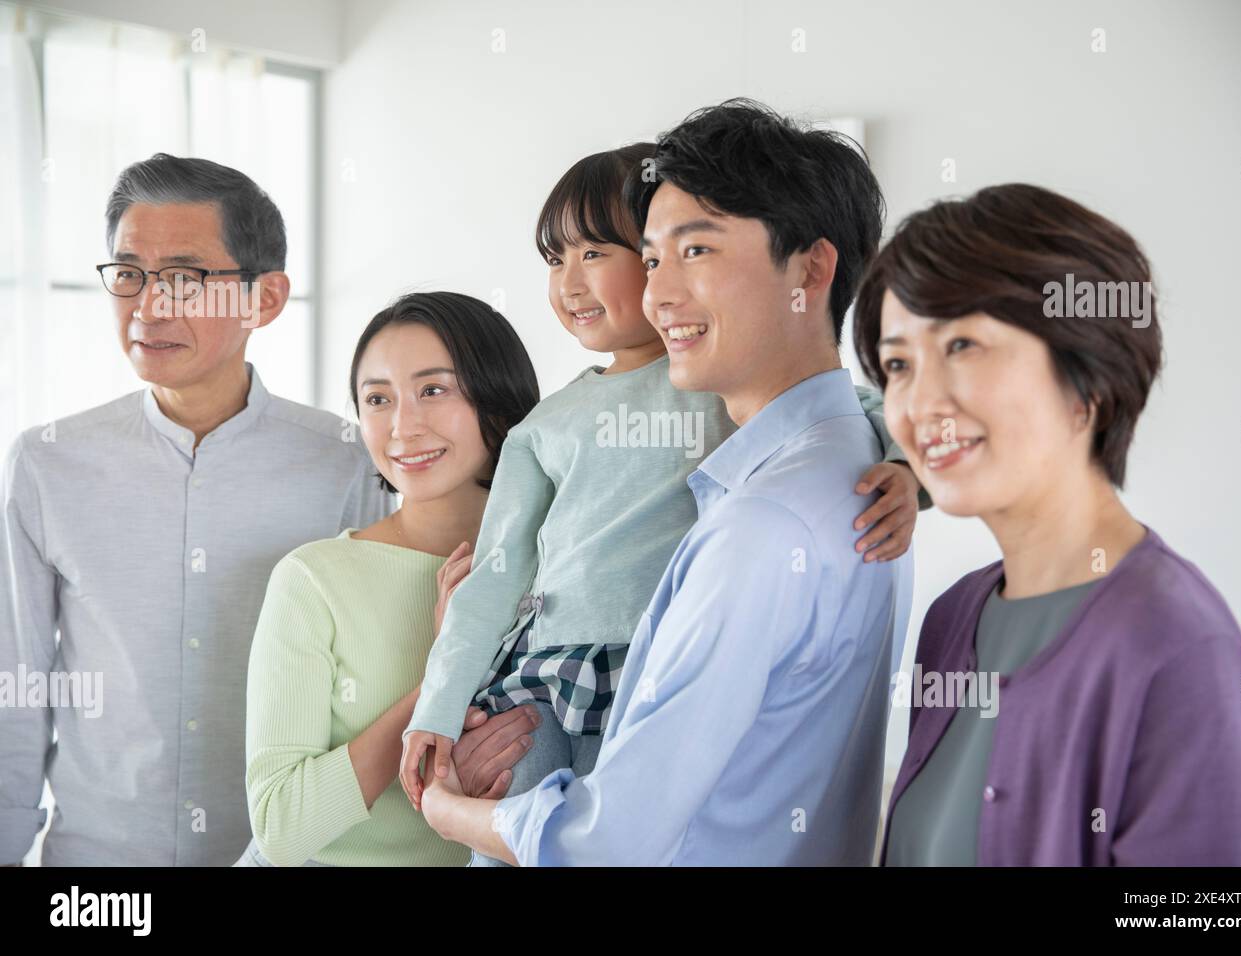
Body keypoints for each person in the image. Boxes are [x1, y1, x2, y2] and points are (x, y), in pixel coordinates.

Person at [415, 99, 913, 865]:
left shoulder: (762, 505)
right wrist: (441, 702)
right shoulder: (812, 460)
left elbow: (608, 840)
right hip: (549, 678)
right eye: (652, 260)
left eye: (696, 251)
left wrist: (451, 814)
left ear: (810, 270)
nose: (660, 293)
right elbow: (499, 574)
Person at [858, 183, 1241, 865]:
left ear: (1087, 374)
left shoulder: (1182, 654)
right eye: (899, 364)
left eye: (963, 345)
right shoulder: (952, 620)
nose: (921, 402)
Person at [0, 154, 395, 866]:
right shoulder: (47, 463)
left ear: (263, 299)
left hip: (283, 855)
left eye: (184, 279)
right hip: (94, 875)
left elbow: (367, 688)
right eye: (129, 274)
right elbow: (18, 686)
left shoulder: (348, 461)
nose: (149, 307)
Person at [238, 292, 542, 866]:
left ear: (499, 402)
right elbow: (282, 827)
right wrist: (445, 672)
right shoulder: (312, 579)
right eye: (378, 399)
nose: (402, 427)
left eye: (434, 390)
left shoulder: (557, 567)